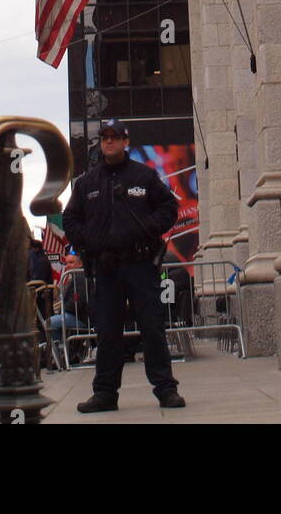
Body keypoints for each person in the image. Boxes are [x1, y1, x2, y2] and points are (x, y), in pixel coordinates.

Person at [62, 118, 184, 412]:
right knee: (107, 332)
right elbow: (70, 220)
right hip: (105, 269)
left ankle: (166, 389)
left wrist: (145, 230)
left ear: (126, 141)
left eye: (115, 137)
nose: (109, 141)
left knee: (152, 327)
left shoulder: (143, 176)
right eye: (105, 137)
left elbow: (169, 207)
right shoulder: (87, 183)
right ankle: (105, 394)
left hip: (140, 264)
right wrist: (89, 240)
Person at [27, 236, 55, 324]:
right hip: (41, 294)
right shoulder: (37, 257)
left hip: (42, 295)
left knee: (44, 321)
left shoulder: (38, 259)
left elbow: (37, 278)